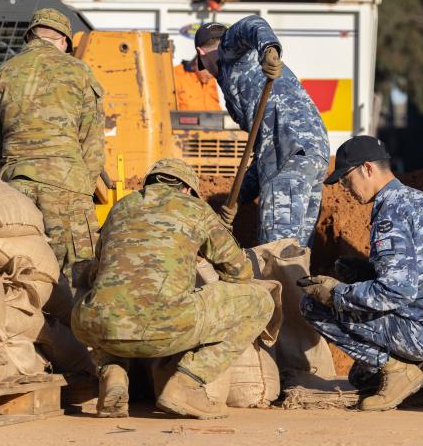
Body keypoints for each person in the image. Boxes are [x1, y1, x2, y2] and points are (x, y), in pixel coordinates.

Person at [71, 158, 273, 420]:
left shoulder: (122, 207)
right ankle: (187, 384)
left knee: (112, 302)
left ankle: (113, 373)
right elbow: (239, 272)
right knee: (261, 302)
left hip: (92, 326)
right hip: (166, 329)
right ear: (187, 189)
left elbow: (96, 273)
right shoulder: (196, 209)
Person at [297, 136, 423, 411]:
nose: (345, 188)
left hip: (420, 331)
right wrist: (365, 271)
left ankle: (400, 369)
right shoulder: (421, 200)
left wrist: (335, 294)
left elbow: (397, 290)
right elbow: (422, 271)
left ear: (367, 168)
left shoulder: (390, 213)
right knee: (361, 376)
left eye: (346, 179)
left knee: (312, 305)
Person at [0, 6, 106, 275]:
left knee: (20, 271)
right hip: (67, 186)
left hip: (16, 185)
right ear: (63, 41)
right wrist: (81, 188)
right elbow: (92, 141)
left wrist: (8, 177)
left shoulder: (2, 73)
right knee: (76, 276)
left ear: (30, 37)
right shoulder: (80, 71)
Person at [194, 16, 330, 246]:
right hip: (312, 152)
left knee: (275, 250)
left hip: (286, 151)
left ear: (201, 53)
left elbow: (252, 23)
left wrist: (268, 48)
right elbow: (262, 150)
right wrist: (238, 199)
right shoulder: (237, 83)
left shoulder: (231, 51)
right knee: (296, 250)